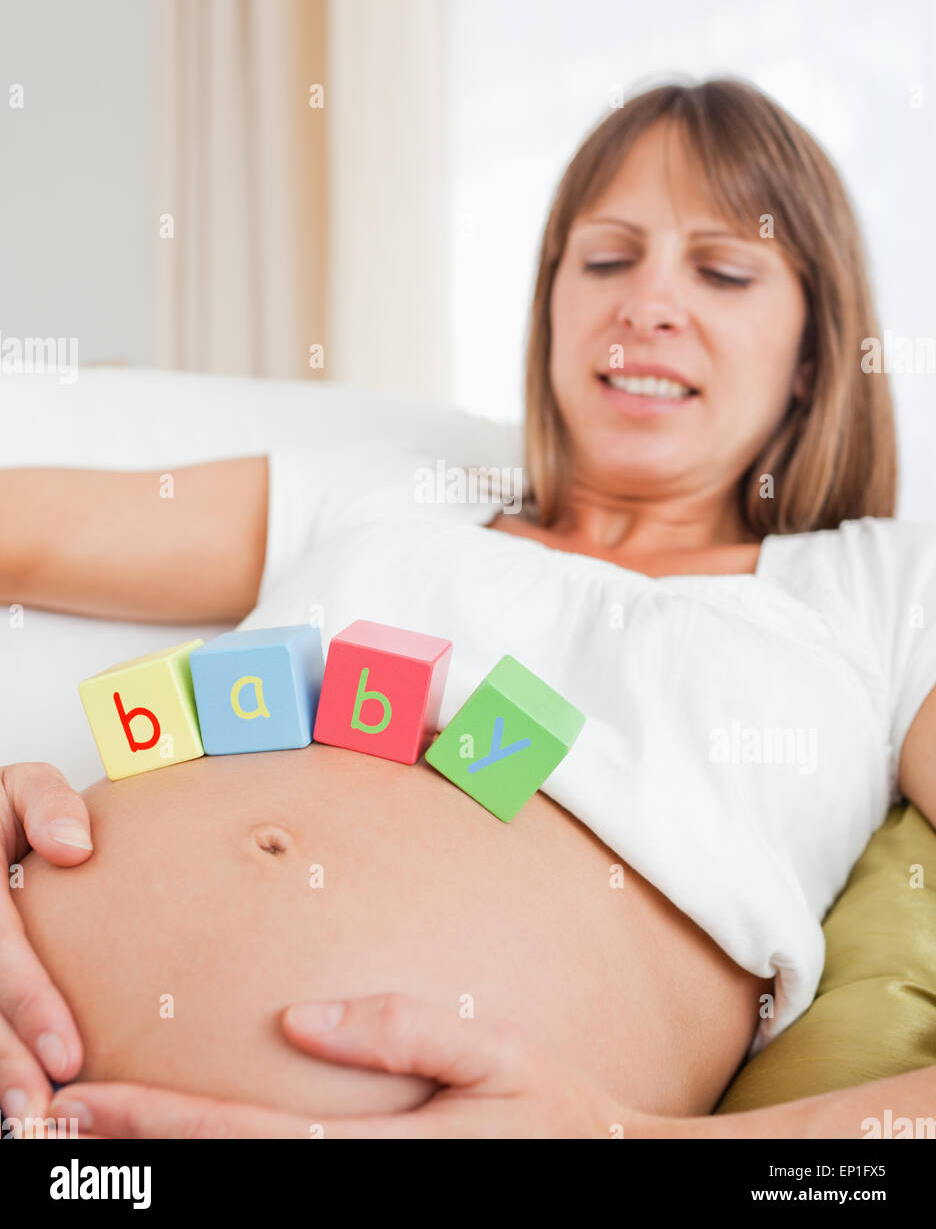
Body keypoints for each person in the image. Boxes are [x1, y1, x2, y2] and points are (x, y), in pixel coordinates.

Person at [2, 80, 935, 1139]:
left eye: (723, 271)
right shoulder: (389, 495)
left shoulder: (885, 590)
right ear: (551, 304)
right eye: (606, 258)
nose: (647, 304)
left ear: (816, 351)